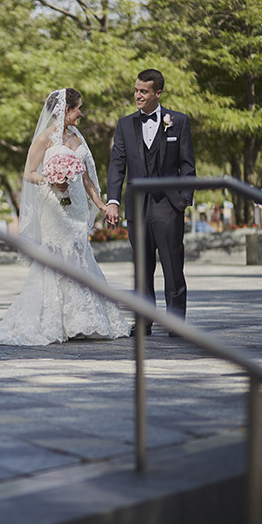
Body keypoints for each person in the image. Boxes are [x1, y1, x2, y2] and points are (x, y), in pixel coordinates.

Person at [0, 88, 130, 346]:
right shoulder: (44, 139)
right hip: (53, 207)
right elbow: (29, 173)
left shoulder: (78, 137)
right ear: (65, 110)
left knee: (79, 252)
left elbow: (87, 181)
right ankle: (56, 321)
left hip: (75, 208)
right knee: (56, 255)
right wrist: (51, 179)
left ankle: (83, 320)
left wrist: (103, 205)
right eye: (78, 109)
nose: (81, 114)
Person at [104, 69, 196, 337]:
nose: (137, 95)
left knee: (172, 266)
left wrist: (183, 201)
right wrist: (113, 201)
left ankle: (176, 322)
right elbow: (117, 165)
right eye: (136, 90)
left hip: (169, 205)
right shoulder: (124, 124)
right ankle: (143, 321)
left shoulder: (178, 122)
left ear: (158, 93)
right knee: (142, 267)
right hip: (137, 205)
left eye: (143, 91)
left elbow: (187, 165)